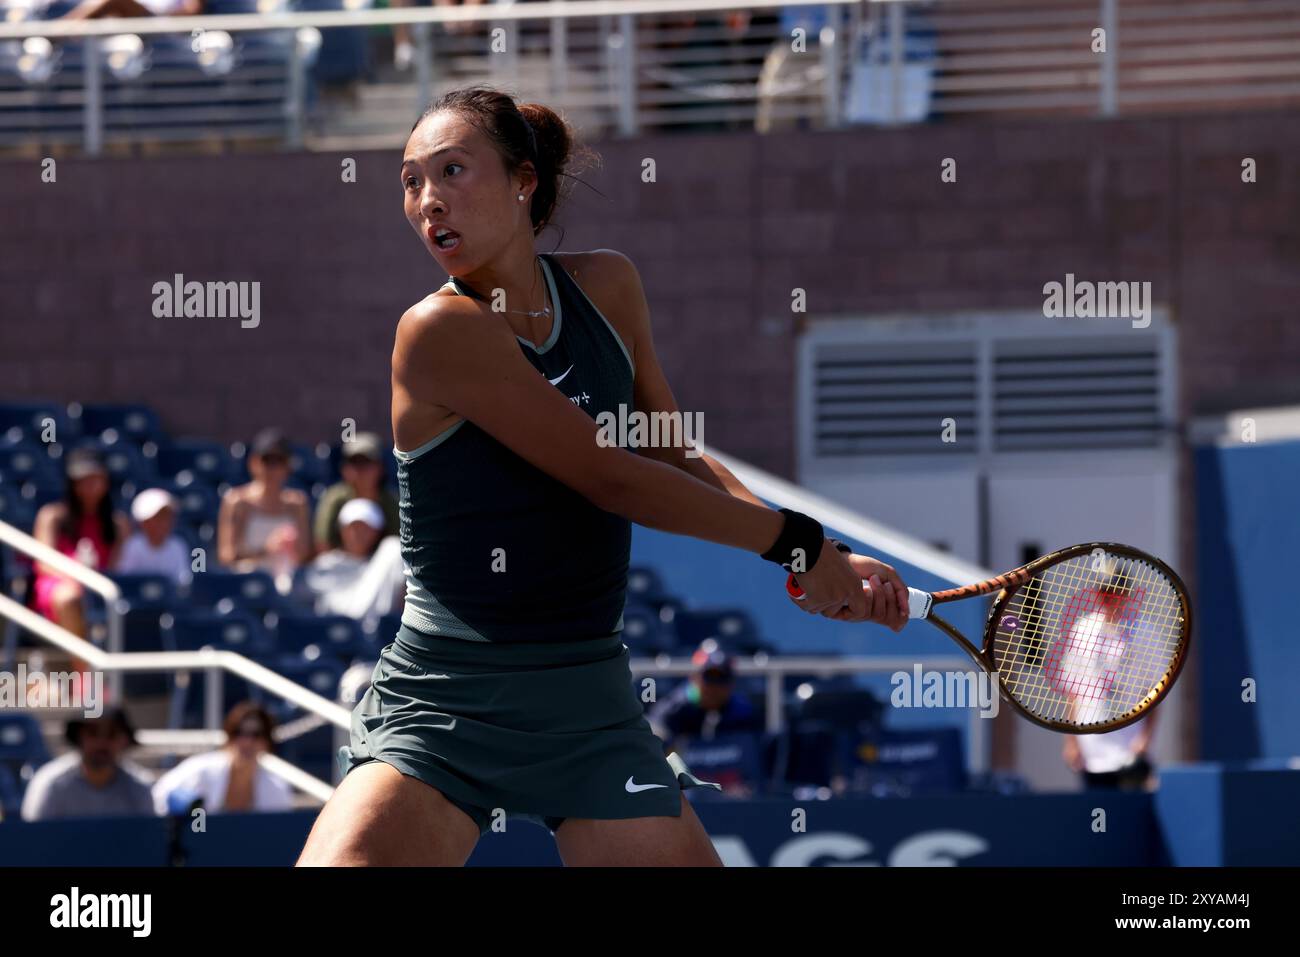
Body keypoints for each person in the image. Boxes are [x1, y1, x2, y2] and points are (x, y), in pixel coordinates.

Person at [297, 86, 910, 868]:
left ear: (524, 180)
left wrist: (822, 556)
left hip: (589, 698)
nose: (428, 201)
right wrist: (798, 547)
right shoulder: (436, 331)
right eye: (411, 181)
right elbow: (609, 476)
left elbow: (667, 451)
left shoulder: (609, 288)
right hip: (450, 692)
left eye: (452, 170)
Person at [31, 447, 129, 642]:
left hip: (100, 586)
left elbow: (116, 566)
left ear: (105, 482)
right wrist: (76, 579)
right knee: (69, 598)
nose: (89, 485)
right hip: (59, 583)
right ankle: (83, 671)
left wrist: (93, 582)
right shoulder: (51, 516)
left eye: (95, 479)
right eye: (82, 480)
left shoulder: (119, 524)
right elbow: (43, 565)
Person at [152, 702, 294, 815]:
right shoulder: (200, 771)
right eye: (239, 733)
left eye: (256, 735)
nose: (247, 742)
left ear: (267, 742)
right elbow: (160, 795)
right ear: (229, 737)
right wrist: (198, 827)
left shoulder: (277, 788)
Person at [217, 429, 312, 590]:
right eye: (267, 460)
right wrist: (267, 550)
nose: (272, 468)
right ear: (253, 463)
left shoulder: (298, 503)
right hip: (248, 581)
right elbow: (227, 556)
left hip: (288, 581)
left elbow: (303, 555)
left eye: (279, 461)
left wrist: (292, 547)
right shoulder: (237, 501)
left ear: (288, 466)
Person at [21, 708, 154, 821]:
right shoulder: (51, 785)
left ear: (124, 740)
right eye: (93, 733)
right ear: (79, 737)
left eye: (111, 735)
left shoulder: (140, 787)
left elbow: (150, 841)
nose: (101, 743)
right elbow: (35, 842)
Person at [299, 497, 406, 621]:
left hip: (376, 631)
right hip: (334, 630)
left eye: (366, 528)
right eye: (353, 526)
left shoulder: (388, 562)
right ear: (341, 530)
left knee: (393, 546)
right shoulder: (325, 563)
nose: (358, 533)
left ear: (377, 532)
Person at [648, 644, 762, 751]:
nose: (715, 687)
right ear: (695, 678)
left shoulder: (744, 714)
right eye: (709, 677)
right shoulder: (672, 711)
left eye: (722, 678)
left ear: (732, 683)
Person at [312, 432, 400, 555]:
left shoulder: (392, 500)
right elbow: (323, 543)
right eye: (354, 462)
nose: (360, 470)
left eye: (366, 462)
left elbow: (398, 543)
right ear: (344, 469)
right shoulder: (334, 498)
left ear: (380, 468)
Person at [1064, 709, 1158, 791]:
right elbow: (1073, 700)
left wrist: (1144, 738)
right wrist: (1072, 742)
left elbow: (1153, 701)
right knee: (1098, 809)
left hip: (1129, 759)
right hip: (1091, 762)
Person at [116, 487, 193, 586]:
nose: (164, 523)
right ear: (144, 522)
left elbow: (182, 582)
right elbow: (126, 580)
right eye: (158, 517)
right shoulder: (133, 546)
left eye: (167, 517)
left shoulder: (178, 546)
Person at [62, 0, 203, 19]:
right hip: (130, 21)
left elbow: (192, 9)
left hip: (156, 18)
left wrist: (161, 15)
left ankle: (63, 27)